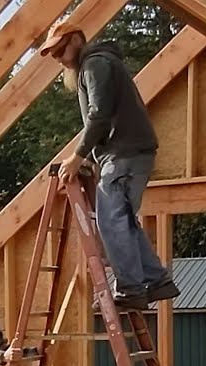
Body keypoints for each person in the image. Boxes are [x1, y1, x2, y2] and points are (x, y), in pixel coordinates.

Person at [40, 17, 179, 311]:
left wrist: (77, 157)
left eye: (60, 51)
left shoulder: (94, 64)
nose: (58, 59)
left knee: (111, 219)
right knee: (123, 219)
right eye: (53, 55)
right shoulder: (98, 65)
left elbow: (99, 115)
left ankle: (130, 288)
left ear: (76, 40)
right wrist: (92, 158)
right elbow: (107, 117)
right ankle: (156, 280)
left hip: (124, 154)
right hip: (126, 152)